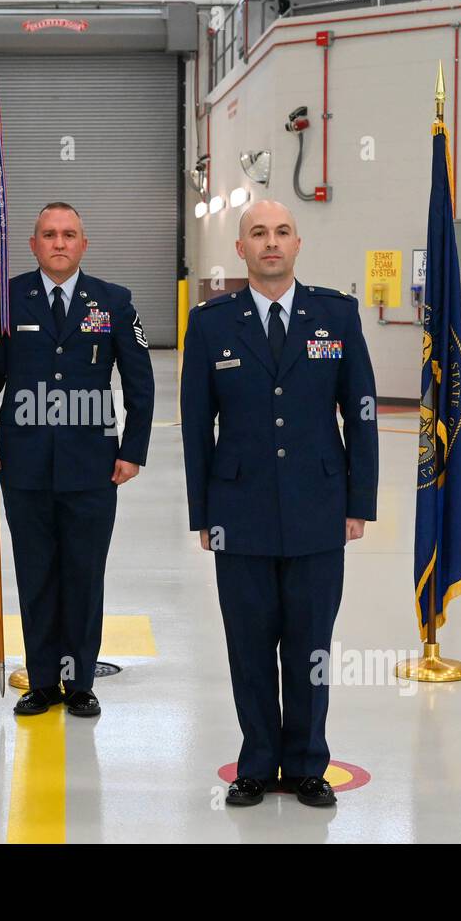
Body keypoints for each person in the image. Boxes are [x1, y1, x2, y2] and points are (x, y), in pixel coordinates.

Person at [180, 199, 378, 807]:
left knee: (311, 643)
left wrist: (359, 502)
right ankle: (258, 762)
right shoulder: (212, 324)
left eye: (282, 232)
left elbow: (361, 415)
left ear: (298, 244)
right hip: (238, 513)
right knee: (248, 643)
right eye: (258, 233)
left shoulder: (337, 317)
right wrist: (202, 514)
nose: (272, 243)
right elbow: (196, 425)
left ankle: (308, 763)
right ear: (240, 249)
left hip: (319, 507)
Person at [0, 202, 154, 717]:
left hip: (92, 467)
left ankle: (80, 680)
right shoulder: (4, 301)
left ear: (83, 245)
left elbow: (139, 382)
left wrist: (132, 450)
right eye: (49, 234)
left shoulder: (114, 302)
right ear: (33, 245)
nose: (59, 242)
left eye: (69, 234)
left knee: (84, 573)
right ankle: (44, 681)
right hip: (22, 466)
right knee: (36, 573)